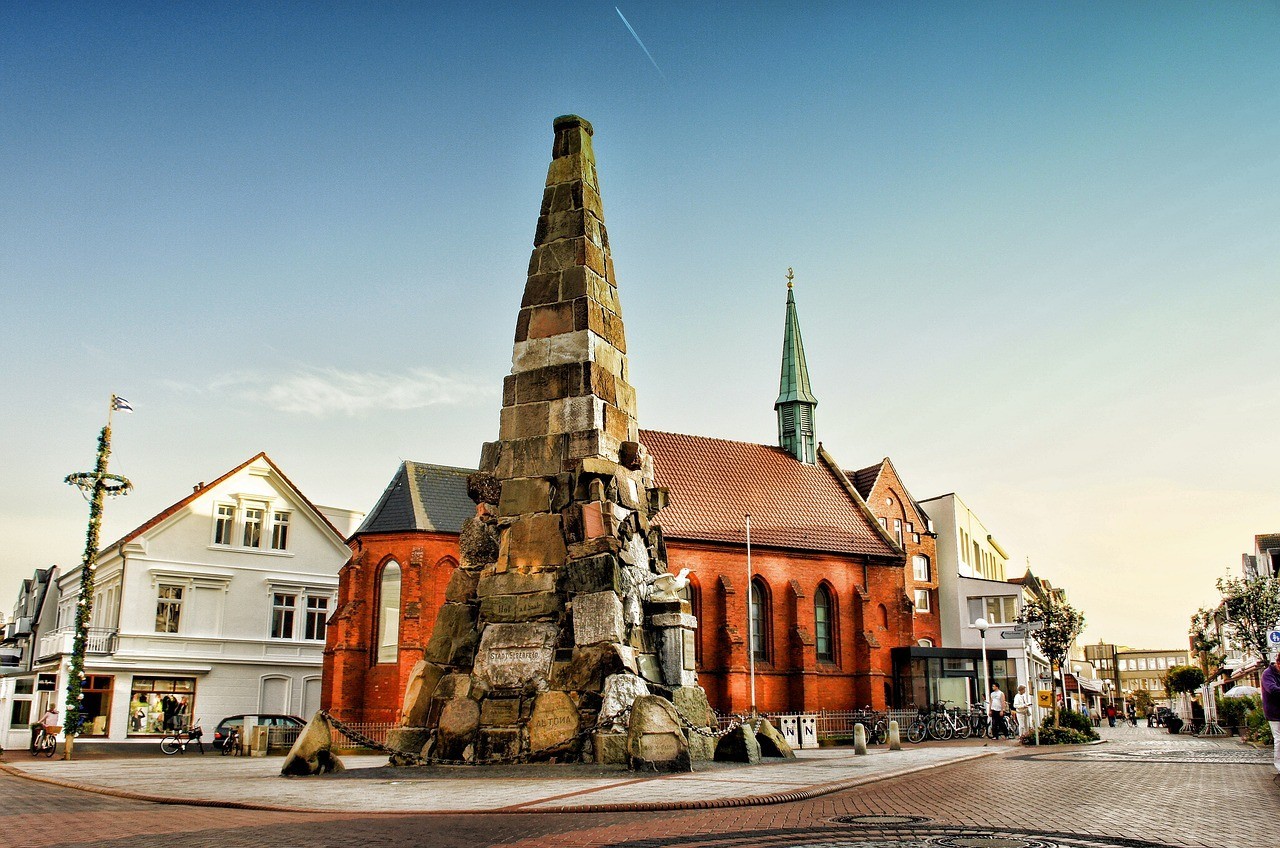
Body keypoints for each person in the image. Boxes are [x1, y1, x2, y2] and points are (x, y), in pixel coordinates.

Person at [1262, 651, 1280, 780]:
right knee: (1279, 739)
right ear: (1278, 663)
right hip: (1274, 713)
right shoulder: (1268, 674)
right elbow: (1272, 689)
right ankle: (1279, 766)